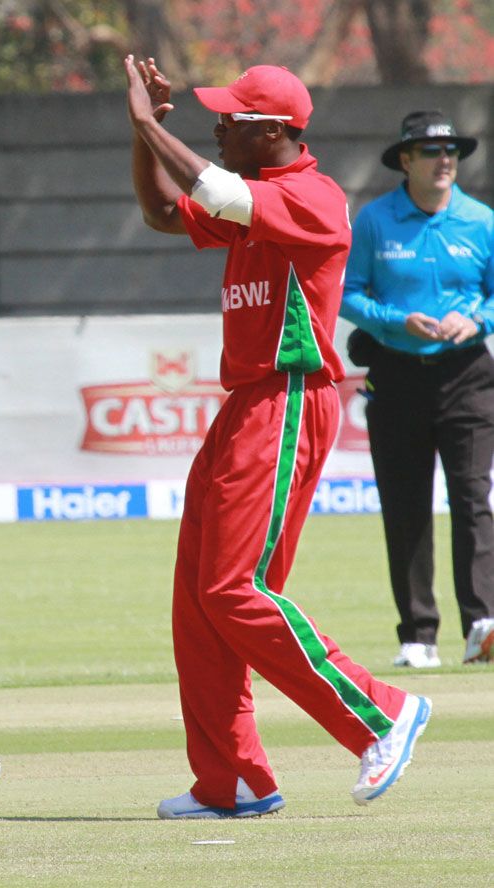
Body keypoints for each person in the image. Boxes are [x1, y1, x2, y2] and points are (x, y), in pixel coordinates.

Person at [124, 57, 431, 819]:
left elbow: (215, 192)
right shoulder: (254, 194)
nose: (217, 128)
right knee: (201, 600)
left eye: (229, 119)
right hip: (246, 404)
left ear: (270, 132)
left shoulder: (312, 196)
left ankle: (381, 714)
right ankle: (232, 781)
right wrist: (146, 133)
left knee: (236, 589)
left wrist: (147, 124)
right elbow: (162, 212)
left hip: (288, 398)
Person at [341, 111, 494, 670]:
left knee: (472, 497)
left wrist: (475, 321)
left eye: (451, 151)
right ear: (405, 161)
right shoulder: (375, 221)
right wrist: (395, 321)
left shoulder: (481, 221)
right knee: (405, 506)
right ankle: (418, 636)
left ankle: (483, 626)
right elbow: (348, 294)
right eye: (431, 151)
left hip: (467, 375)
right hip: (396, 375)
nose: (444, 160)